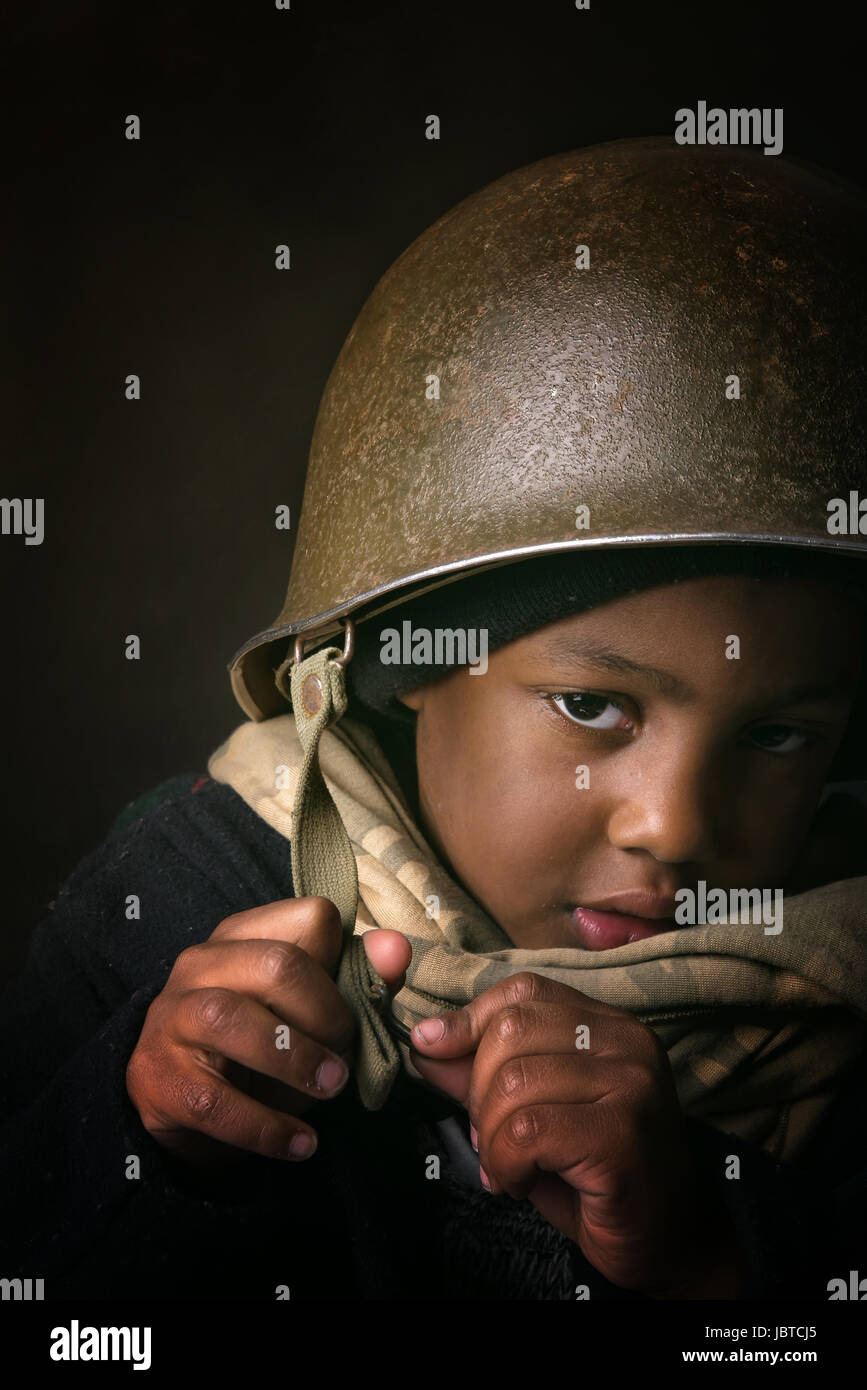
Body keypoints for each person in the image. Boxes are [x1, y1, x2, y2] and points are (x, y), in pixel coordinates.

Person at [2, 136, 867, 1301]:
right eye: (591, 704)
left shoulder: (843, 1023)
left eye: (774, 736)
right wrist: (146, 1136)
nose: (673, 825)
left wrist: (702, 1251)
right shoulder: (177, 901)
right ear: (402, 661)